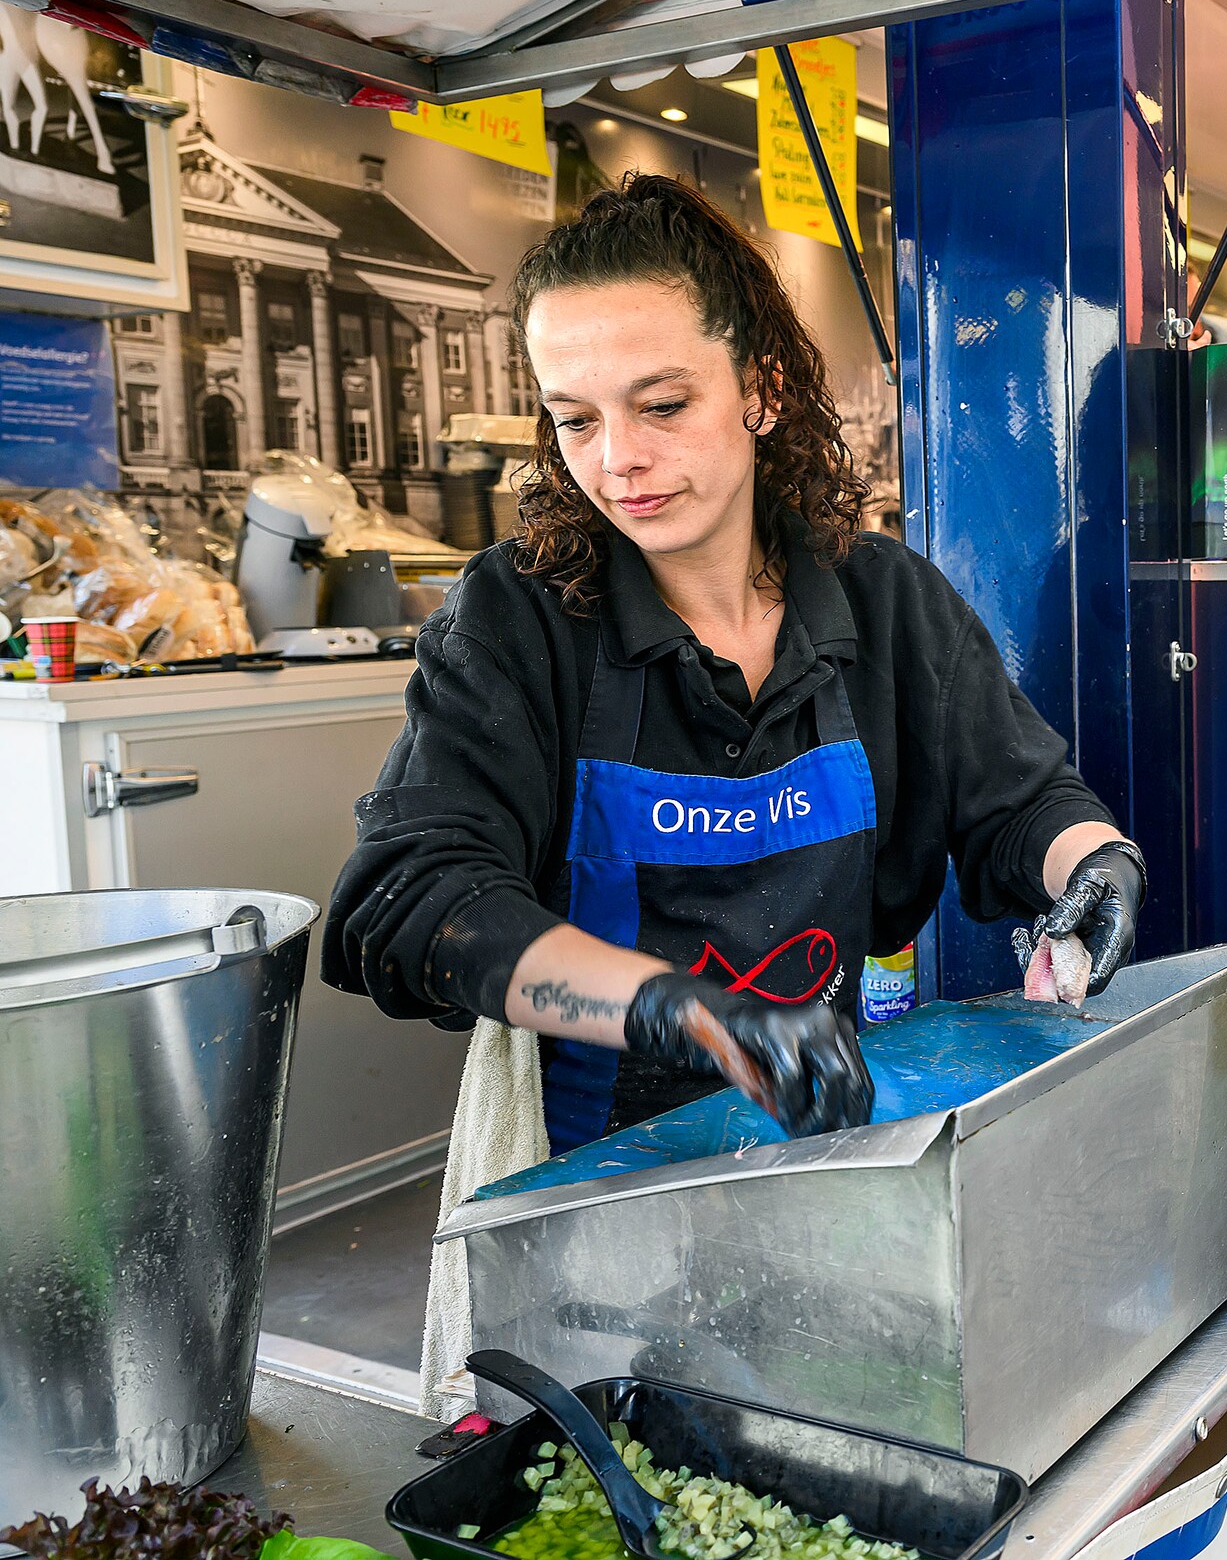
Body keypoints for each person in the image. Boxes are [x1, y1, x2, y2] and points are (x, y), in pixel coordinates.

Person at [325, 174, 1146, 1154]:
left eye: (661, 405)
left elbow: (1017, 798)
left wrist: (1095, 861)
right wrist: (682, 1011)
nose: (617, 459)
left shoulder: (883, 602)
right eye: (576, 420)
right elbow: (409, 898)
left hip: (821, 1139)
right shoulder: (515, 620)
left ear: (763, 390)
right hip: (583, 1172)